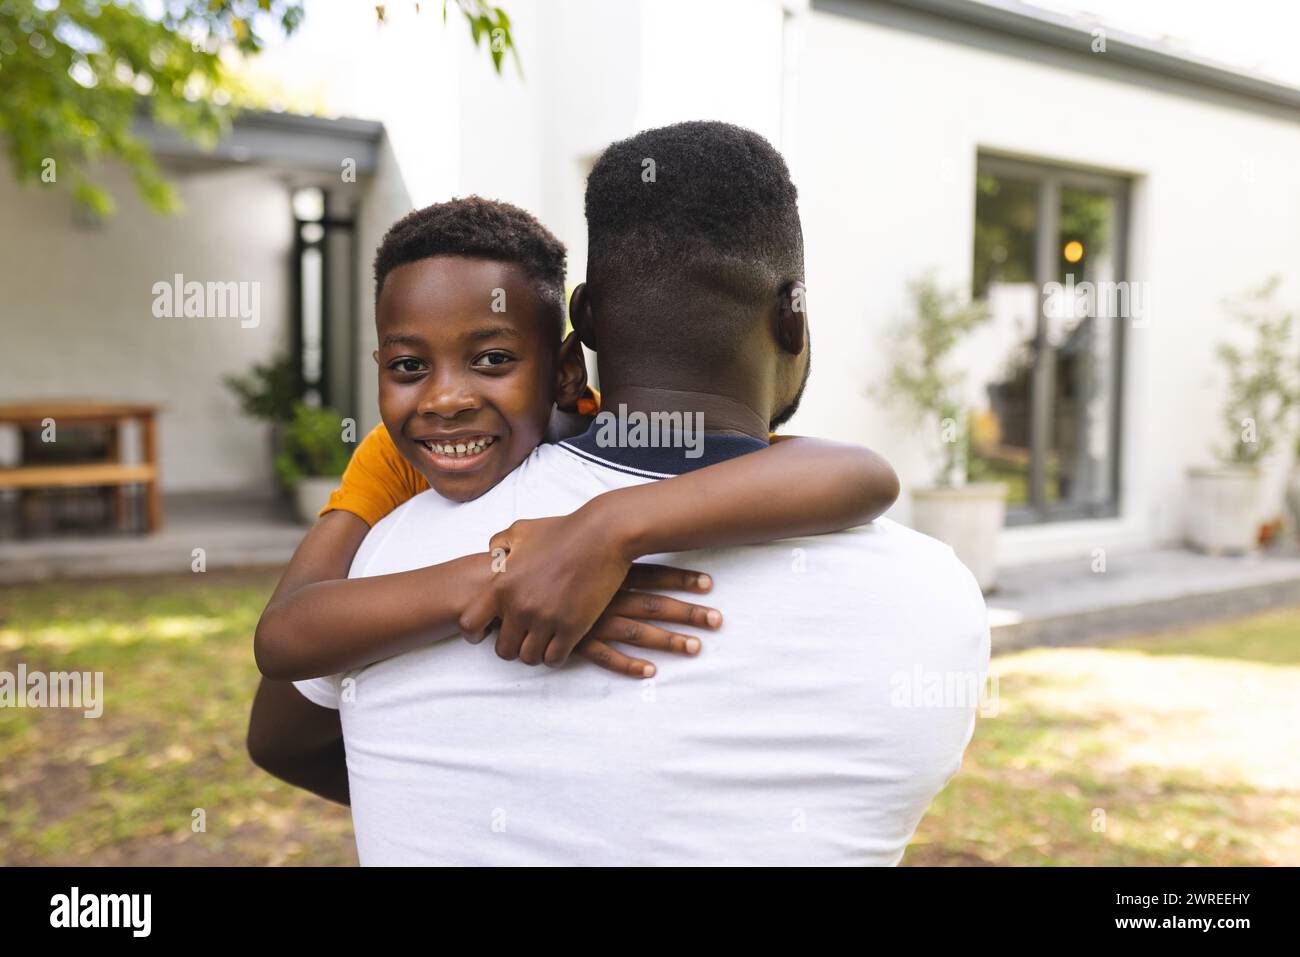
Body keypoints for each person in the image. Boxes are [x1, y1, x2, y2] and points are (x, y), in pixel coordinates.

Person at [253, 122, 988, 865]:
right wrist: (505, 575)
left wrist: (604, 530)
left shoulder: (396, 548)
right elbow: (283, 635)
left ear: (578, 338)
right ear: (792, 319)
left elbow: (279, 734)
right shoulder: (940, 603)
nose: (447, 400)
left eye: (494, 360)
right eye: (410, 366)